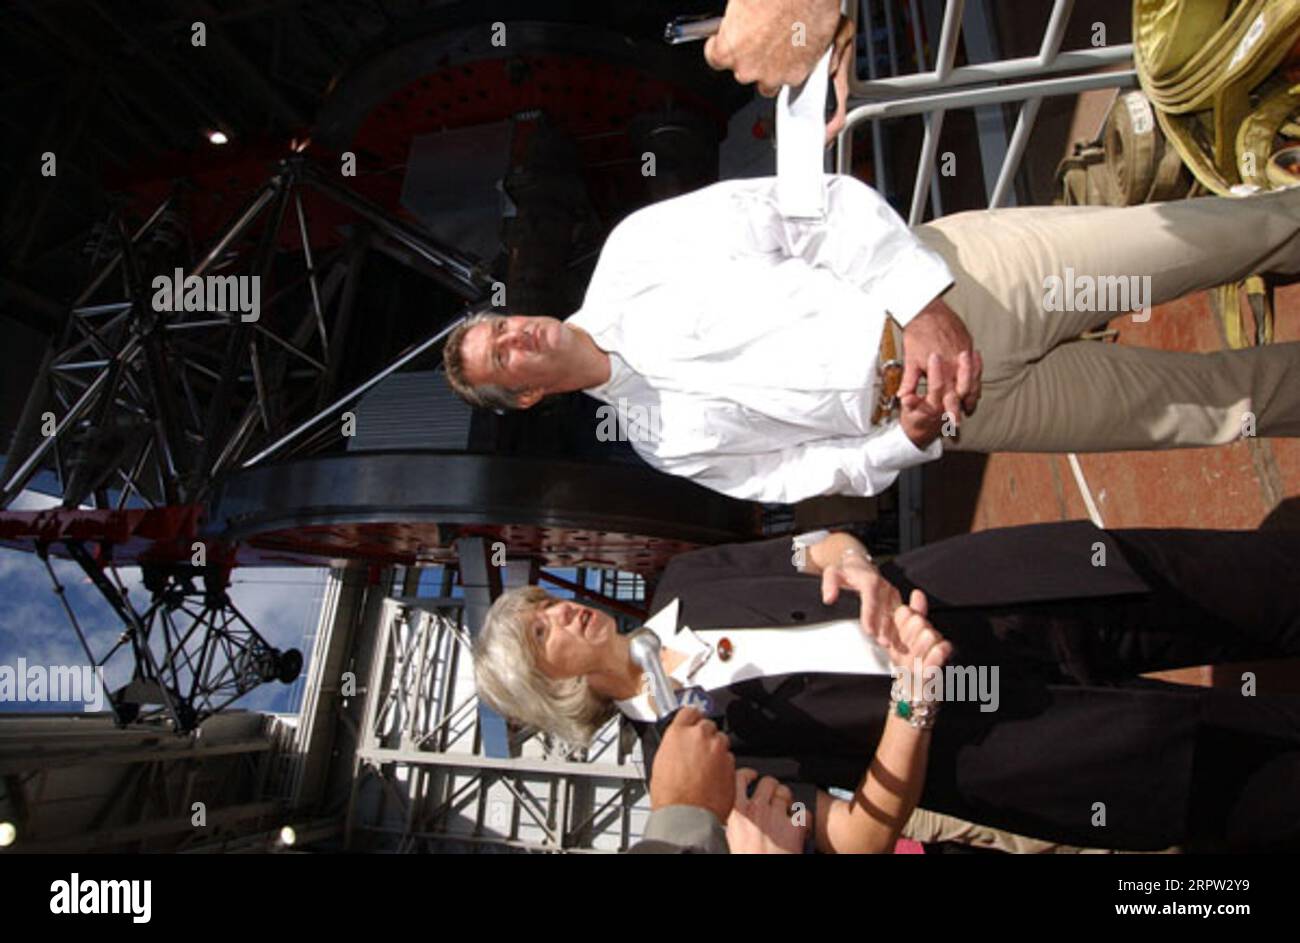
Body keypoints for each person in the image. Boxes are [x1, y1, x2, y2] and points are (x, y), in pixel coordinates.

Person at [473, 522, 1300, 851]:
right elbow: (858, 838)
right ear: (553, 691)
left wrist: (861, 570)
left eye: (546, 604)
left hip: (1016, 593)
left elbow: (819, 544)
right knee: (1256, 771)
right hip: (1022, 745)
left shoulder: (686, 576)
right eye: (541, 633)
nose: (562, 613)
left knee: (1256, 582)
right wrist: (912, 702)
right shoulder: (687, 764)